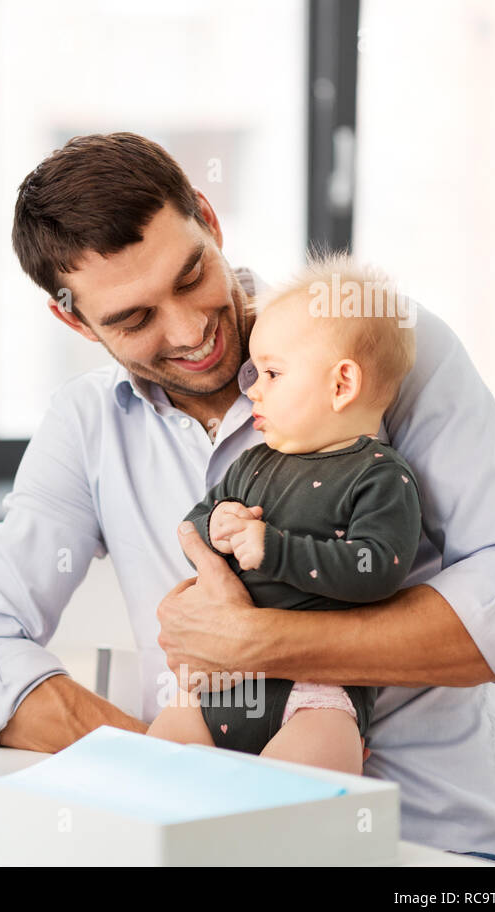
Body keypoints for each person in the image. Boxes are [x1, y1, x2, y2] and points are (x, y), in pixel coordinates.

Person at [0, 132, 495, 864]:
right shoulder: (87, 424)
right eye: (134, 320)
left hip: (427, 856)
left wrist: (265, 644)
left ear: (209, 218)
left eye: (192, 274)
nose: (191, 330)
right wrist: (186, 776)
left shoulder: (379, 348)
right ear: (74, 320)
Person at [149, 255, 422, 773]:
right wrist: (217, 523)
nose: (252, 388)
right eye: (256, 372)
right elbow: (196, 522)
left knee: (287, 823)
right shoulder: (253, 461)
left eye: (272, 373)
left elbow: (377, 568)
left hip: (314, 696)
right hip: (220, 685)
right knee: (153, 777)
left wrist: (276, 549)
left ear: (342, 385)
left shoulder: (380, 476)